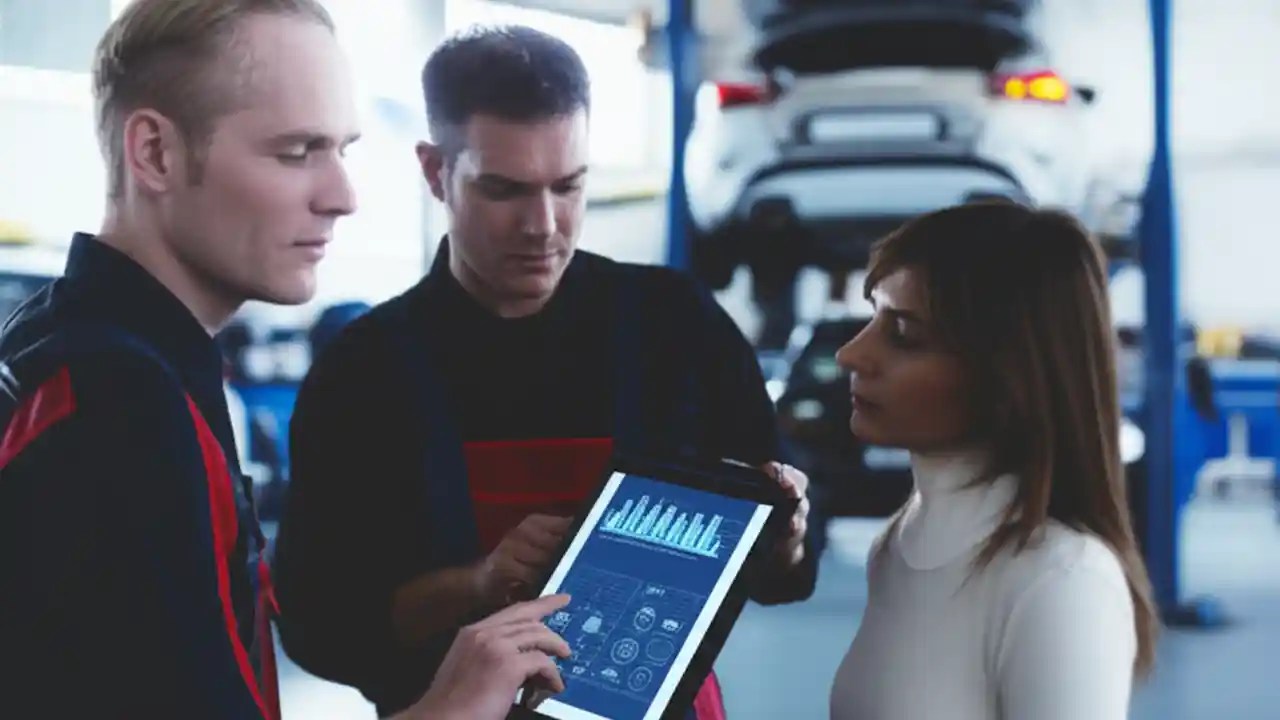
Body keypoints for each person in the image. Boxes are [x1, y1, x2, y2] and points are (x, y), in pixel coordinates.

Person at [0, 2, 564, 718]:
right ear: (154, 154)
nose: (343, 197)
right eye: (297, 152)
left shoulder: (63, 337)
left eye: (343, 150)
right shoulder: (125, 409)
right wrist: (451, 703)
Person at [272, 24, 818, 720]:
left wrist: (789, 533)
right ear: (436, 170)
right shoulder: (364, 372)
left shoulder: (676, 327)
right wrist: (479, 582)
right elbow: (320, 629)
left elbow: (779, 573)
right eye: (504, 190)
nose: (545, 225)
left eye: (568, 186)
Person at [827, 201, 1159, 720]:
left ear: (1006, 374)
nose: (851, 354)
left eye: (905, 335)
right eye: (872, 318)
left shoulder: (1062, 581)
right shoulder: (899, 543)